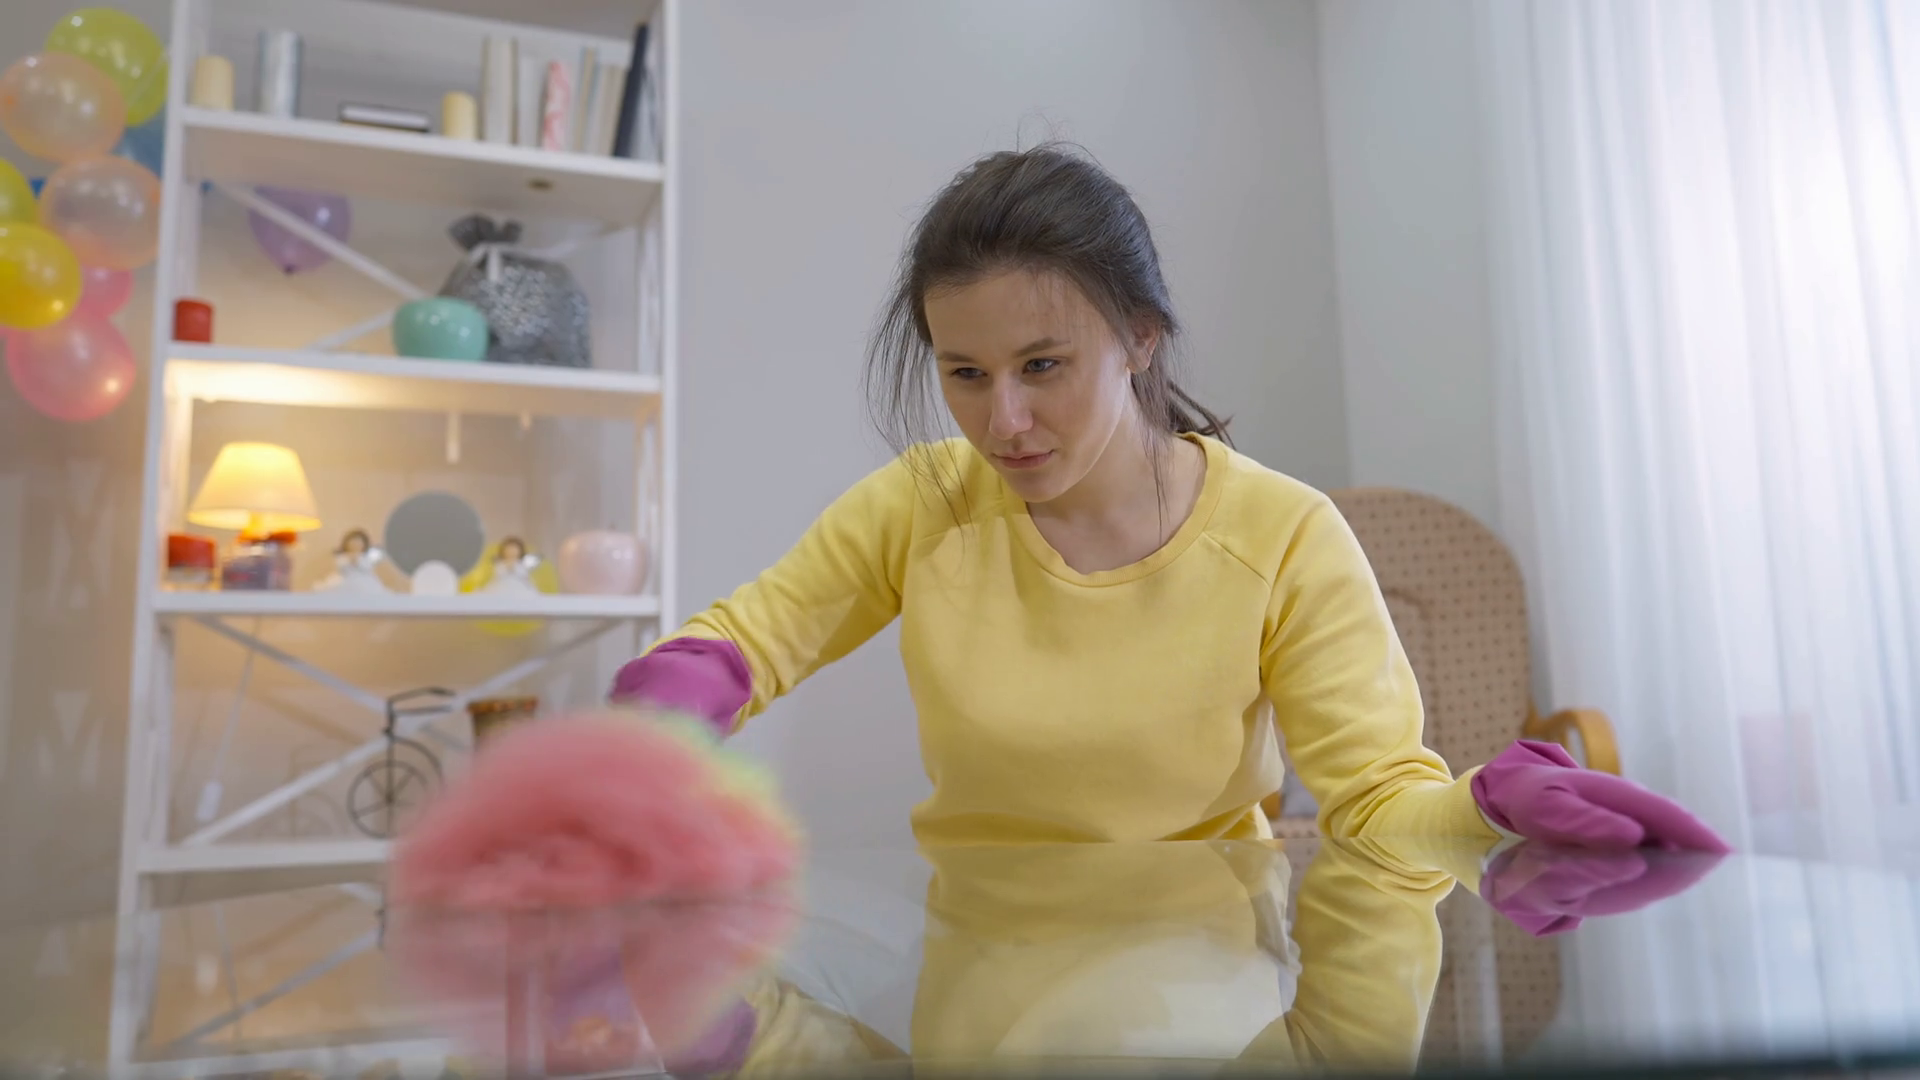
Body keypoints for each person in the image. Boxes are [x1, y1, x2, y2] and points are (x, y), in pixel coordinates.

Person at [611, 144, 1727, 854]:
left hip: (1212, 993)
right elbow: (747, 642)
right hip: (977, 982)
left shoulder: (1283, 534)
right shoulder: (925, 504)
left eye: (1043, 366)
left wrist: (1486, 809)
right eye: (966, 374)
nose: (1003, 420)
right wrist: (677, 690)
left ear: (1140, 338)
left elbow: (1378, 799)